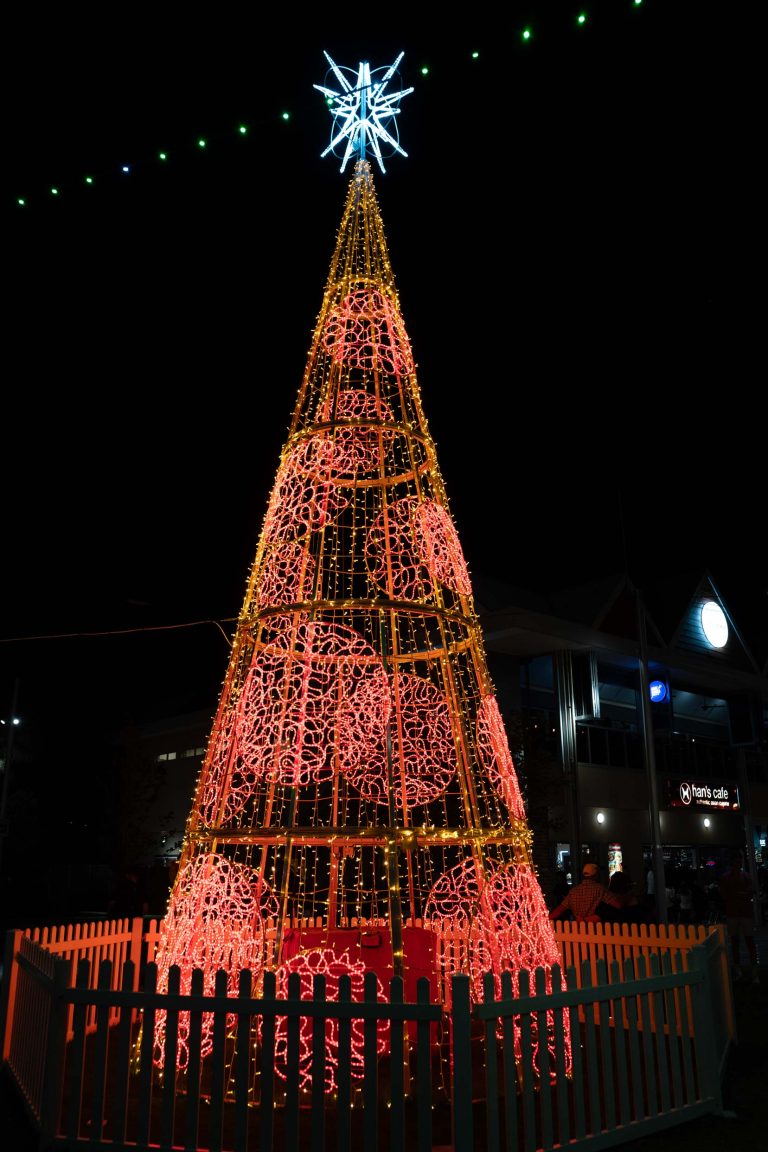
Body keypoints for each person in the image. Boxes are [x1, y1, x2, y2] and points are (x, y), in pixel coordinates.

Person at [719, 850, 759, 984]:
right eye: (737, 861)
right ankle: (747, 971)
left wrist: (735, 895)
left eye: (739, 861)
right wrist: (742, 894)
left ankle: (743, 970)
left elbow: (728, 895)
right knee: (743, 942)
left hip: (736, 913)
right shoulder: (742, 877)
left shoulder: (735, 877)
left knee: (741, 942)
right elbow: (749, 892)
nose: (738, 863)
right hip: (739, 913)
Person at [549, 862, 622, 923]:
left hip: (579, 930)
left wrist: (546, 919)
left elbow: (559, 910)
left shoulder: (574, 891)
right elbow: (617, 905)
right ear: (596, 875)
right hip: (597, 930)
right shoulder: (600, 889)